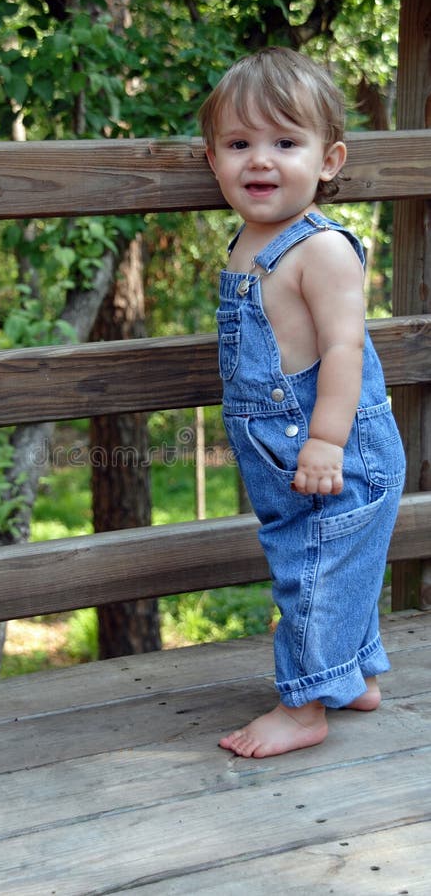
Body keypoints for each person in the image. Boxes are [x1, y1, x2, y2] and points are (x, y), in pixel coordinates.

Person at [199, 46, 405, 758]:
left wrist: (323, 441)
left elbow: (344, 351)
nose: (260, 159)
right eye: (239, 143)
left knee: (312, 569)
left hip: (334, 449)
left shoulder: (321, 251)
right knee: (330, 563)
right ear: (212, 160)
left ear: (328, 160)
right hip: (287, 453)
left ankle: (304, 706)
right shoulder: (249, 241)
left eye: (285, 142)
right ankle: (351, 678)